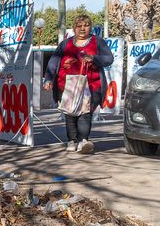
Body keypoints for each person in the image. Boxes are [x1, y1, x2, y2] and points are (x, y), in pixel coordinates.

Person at [43, 14, 114, 154]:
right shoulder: (65, 44)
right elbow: (53, 61)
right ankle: (72, 140)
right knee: (70, 114)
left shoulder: (98, 42)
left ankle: (83, 141)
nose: (82, 28)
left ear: (90, 27)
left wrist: (94, 58)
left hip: (92, 86)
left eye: (86, 25)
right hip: (66, 86)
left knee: (85, 113)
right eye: (79, 26)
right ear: (74, 28)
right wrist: (48, 79)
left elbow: (109, 58)